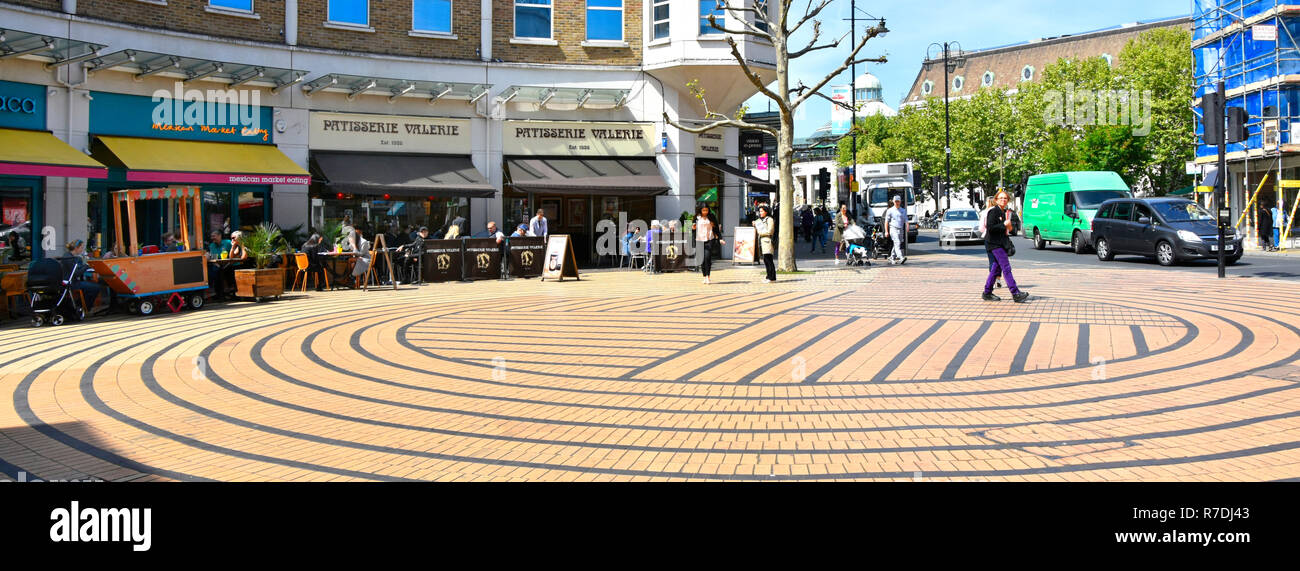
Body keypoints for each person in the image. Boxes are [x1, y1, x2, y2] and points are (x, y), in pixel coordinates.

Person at [983, 190, 1029, 303]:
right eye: (1001, 198)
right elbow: (990, 227)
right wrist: (1003, 224)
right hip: (994, 244)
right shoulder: (993, 212)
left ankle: (987, 292)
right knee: (1006, 268)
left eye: (1005, 198)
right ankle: (1015, 293)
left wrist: (1009, 227)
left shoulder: (1003, 212)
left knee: (995, 269)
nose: (1003, 200)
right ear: (996, 200)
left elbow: (1008, 229)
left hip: (1000, 243)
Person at [61, 239, 109, 315]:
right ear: (76, 248)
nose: (82, 249)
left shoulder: (68, 255)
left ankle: (81, 306)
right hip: (71, 283)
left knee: (89, 287)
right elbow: (76, 273)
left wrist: (84, 266)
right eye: (81, 247)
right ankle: (85, 308)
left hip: (69, 281)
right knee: (96, 287)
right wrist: (86, 265)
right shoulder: (70, 258)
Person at [693, 205, 724, 284]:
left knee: (707, 258)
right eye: (703, 210)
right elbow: (692, 229)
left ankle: (708, 277)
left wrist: (720, 238)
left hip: (709, 239)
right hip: (699, 240)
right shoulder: (697, 217)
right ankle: (704, 276)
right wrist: (693, 228)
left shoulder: (711, 217)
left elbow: (716, 228)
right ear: (700, 210)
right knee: (702, 260)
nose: (705, 212)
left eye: (706, 210)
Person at [978, 197, 1003, 289]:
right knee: (999, 260)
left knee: (992, 260)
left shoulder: (985, 212)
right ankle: (998, 279)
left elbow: (981, 228)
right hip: (999, 238)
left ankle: (992, 280)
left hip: (988, 238)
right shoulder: (1000, 211)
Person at [754, 205, 776, 282]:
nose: (760, 213)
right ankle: (769, 276)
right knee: (766, 260)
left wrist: (761, 233)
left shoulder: (769, 219)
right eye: (759, 211)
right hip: (762, 242)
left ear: (766, 211)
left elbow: (770, 231)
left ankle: (771, 277)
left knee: (769, 260)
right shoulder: (759, 220)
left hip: (767, 241)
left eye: (762, 211)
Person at [884, 196, 908, 265]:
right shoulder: (890, 210)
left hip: (901, 229)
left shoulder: (903, 210)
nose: (897, 203)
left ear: (900, 202)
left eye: (898, 201)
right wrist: (886, 231)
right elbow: (886, 221)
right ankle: (901, 257)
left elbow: (906, 219)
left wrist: (907, 226)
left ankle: (892, 257)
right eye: (896, 201)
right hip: (893, 229)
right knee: (897, 242)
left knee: (897, 244)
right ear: (893, 202)